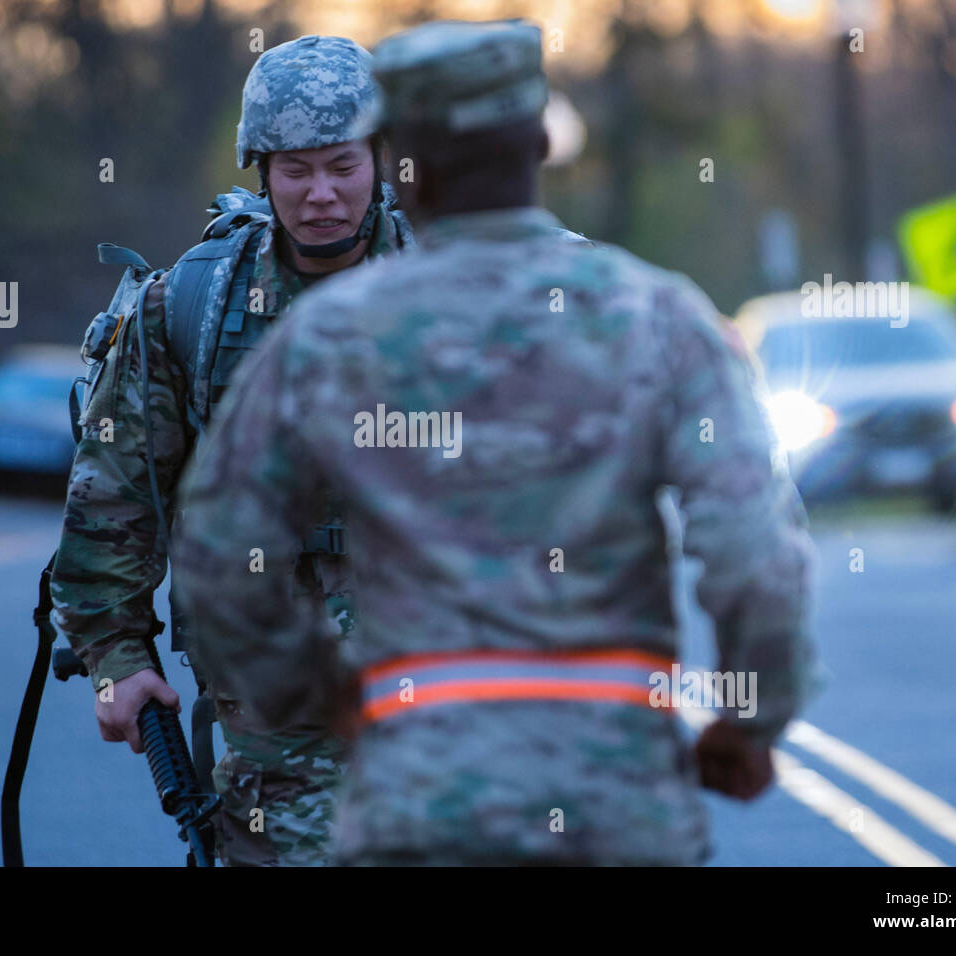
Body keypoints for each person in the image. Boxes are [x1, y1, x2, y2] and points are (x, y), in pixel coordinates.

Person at [172, 19, 817, 865]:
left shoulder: (325, 340)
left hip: (415, 803)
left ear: (402, 162)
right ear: (543, 143)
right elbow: (756, 555)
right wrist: (749, 723)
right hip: (615, 809)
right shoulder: (659, 317)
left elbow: (219, 560)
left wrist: (332, 703)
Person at [50, 34, 413, 866]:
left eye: (342, 165)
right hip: (272, 723)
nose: (321, 194)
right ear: (261, 170)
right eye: (295, 170)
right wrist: (118, 658)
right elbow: (113, 499)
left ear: (379, 159)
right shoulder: (190, 309)